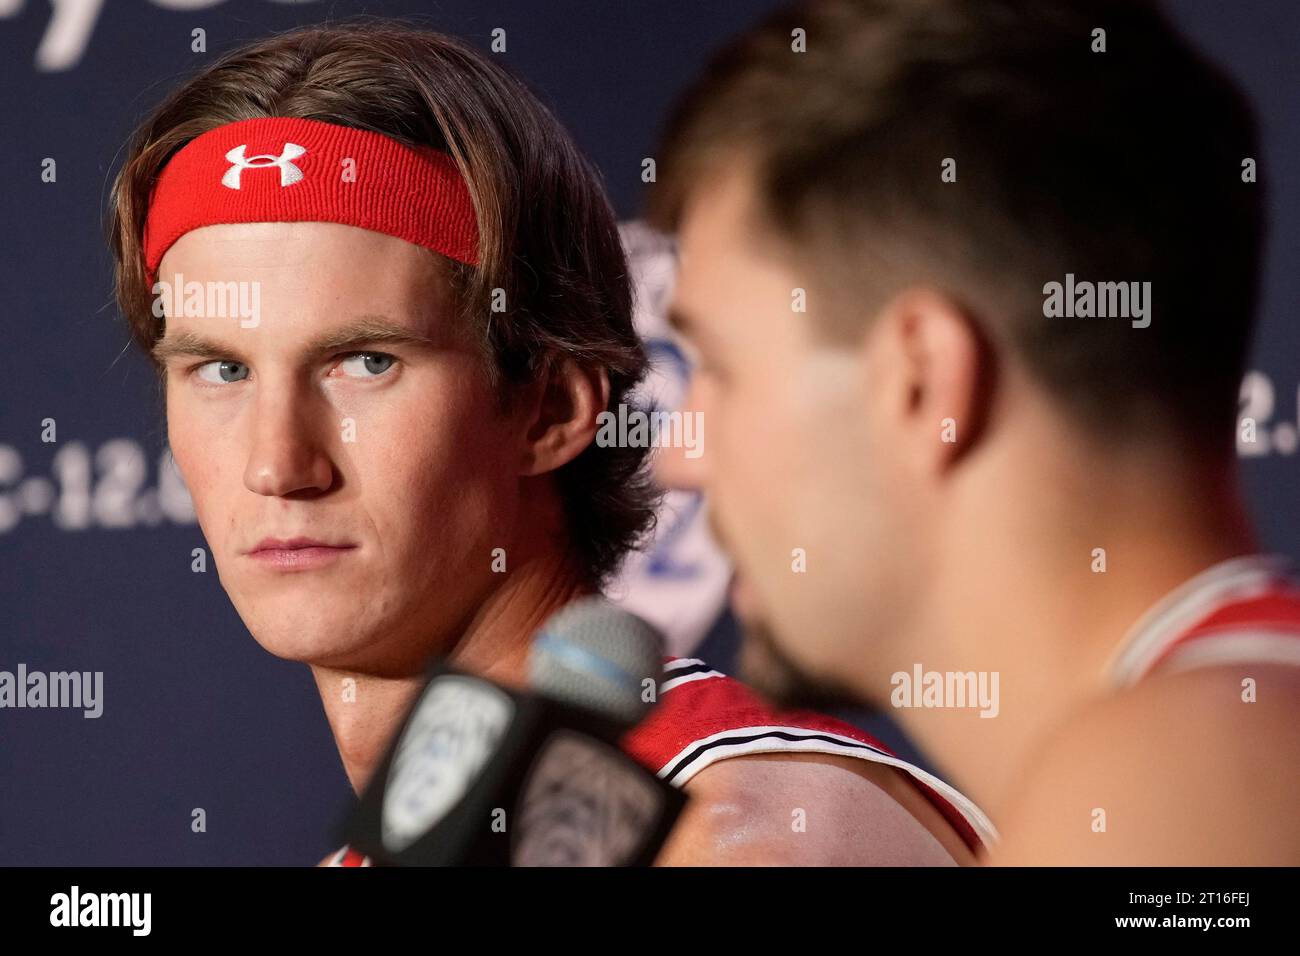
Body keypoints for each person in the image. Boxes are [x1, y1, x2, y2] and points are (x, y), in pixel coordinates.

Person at [107, 20, 993, 866]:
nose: (277, 464)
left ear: (553, 409)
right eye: (220, 371)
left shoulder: (740, 833)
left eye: (365, 361)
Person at [647, 0, 1300, 864]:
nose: (678, 456)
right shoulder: (1207, 748)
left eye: (721, 369)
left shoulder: (1173, 781)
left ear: (923, 380)